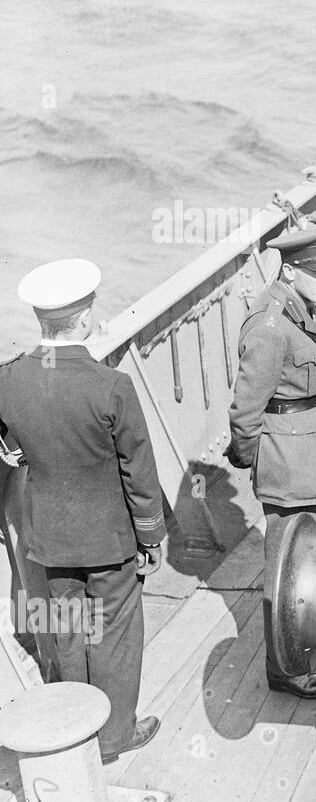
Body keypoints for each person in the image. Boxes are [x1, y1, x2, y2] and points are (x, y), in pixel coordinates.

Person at [0, 259, 164, 763]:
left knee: (67, 632)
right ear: (86, 318)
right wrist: (151, 537)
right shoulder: (110, 386)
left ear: (41, 321)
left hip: (46, 538)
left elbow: (7, 440)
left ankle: (73, 736)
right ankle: (114, 739)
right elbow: (139, 473)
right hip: (109, 541)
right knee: (112, 637)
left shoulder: (8, 380)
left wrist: (15, 450)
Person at [227, 219, 316, 699]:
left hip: (308, 454)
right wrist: (256, 459)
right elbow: (246, 411)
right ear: (292, 270)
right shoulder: (271, 325)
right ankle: (286, 668)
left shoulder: (300, 306)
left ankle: (302, 641)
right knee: (285, 572)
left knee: (308, 562)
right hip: (288, 463)